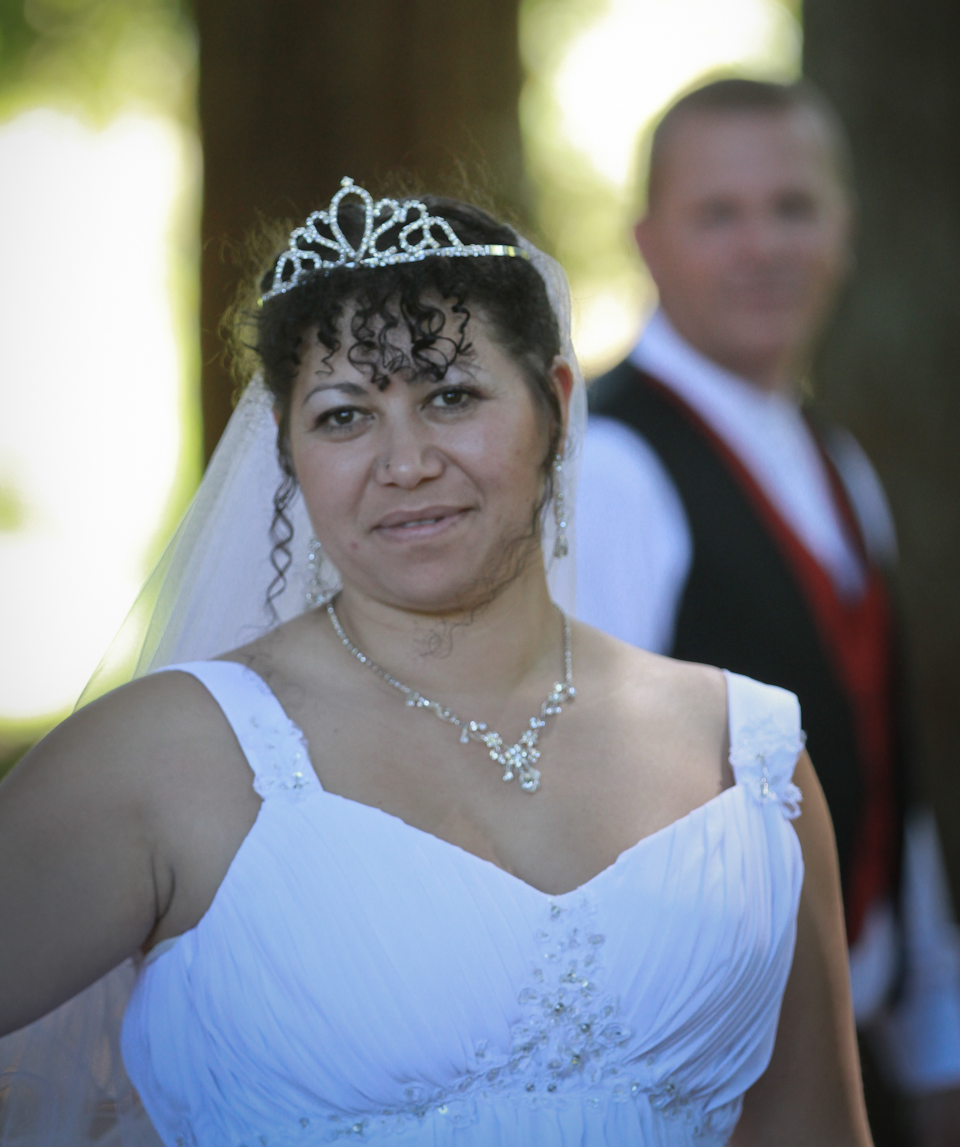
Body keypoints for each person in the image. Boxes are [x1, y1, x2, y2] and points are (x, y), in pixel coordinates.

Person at [0, 181, 870, 1147]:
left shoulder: (746, 758)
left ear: (556, 402)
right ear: (287, 450)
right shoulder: (167, 758)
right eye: (343, 416)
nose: (404, 462)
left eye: (450, 397)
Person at [577, 78, 960, 1146]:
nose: (763, 247)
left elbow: (884, 754)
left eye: (793, 207)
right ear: (649, 243)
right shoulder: (609, 467)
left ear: (843, 226)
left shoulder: (838, 460)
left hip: (863, 1061)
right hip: (705, 1083)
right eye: (719, 215)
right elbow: (577, 799)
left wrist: (937, 1044)